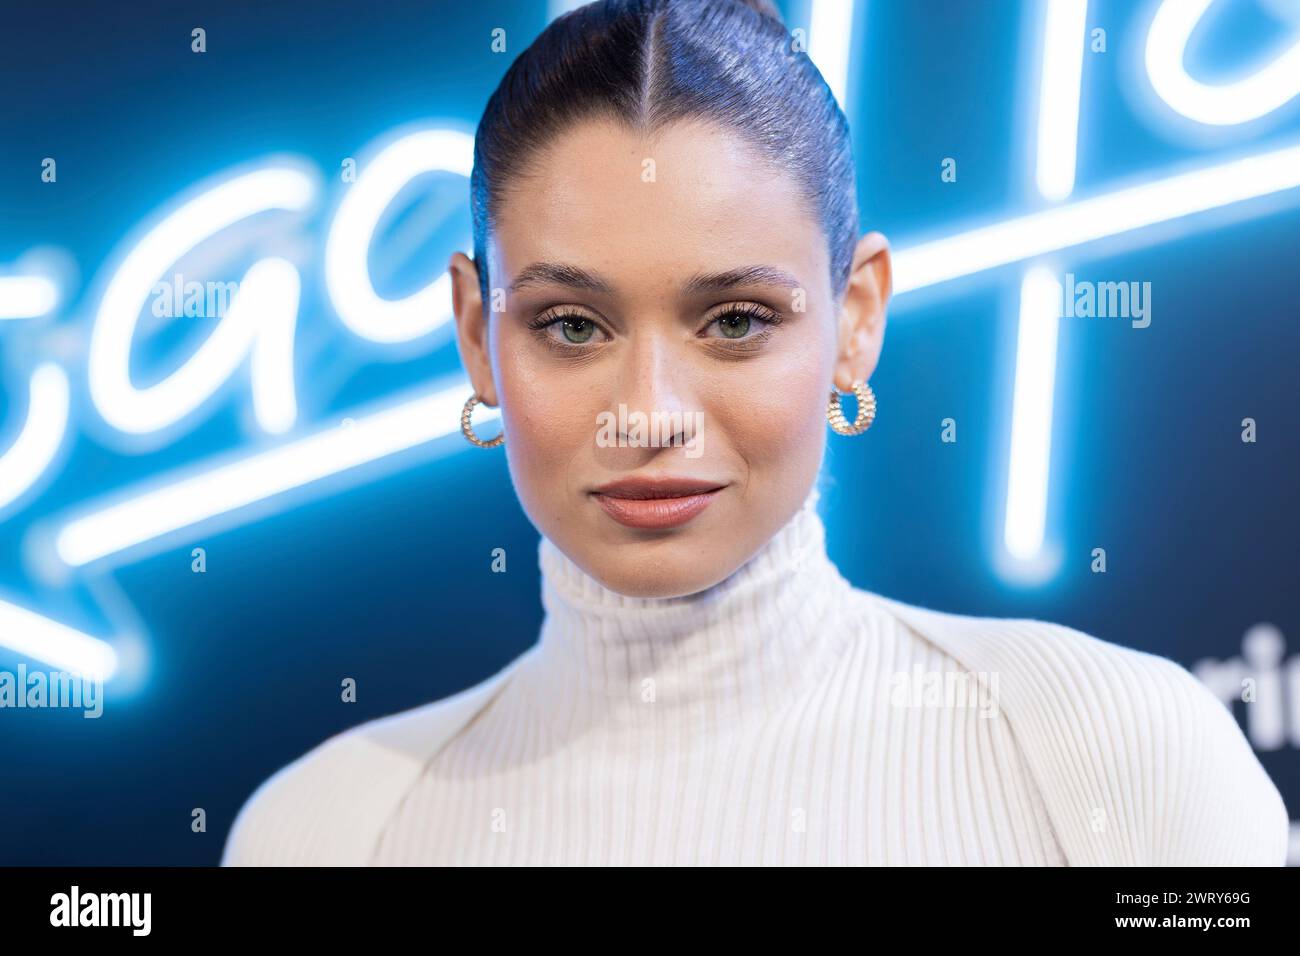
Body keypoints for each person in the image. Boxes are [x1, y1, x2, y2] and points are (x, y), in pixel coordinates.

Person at [221, 0, 1289, 865]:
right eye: (570, 324)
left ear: (854, 319)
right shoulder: (325, 830)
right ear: (473, 331)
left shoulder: (1118, 752)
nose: (647, 411)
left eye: (734, 320)